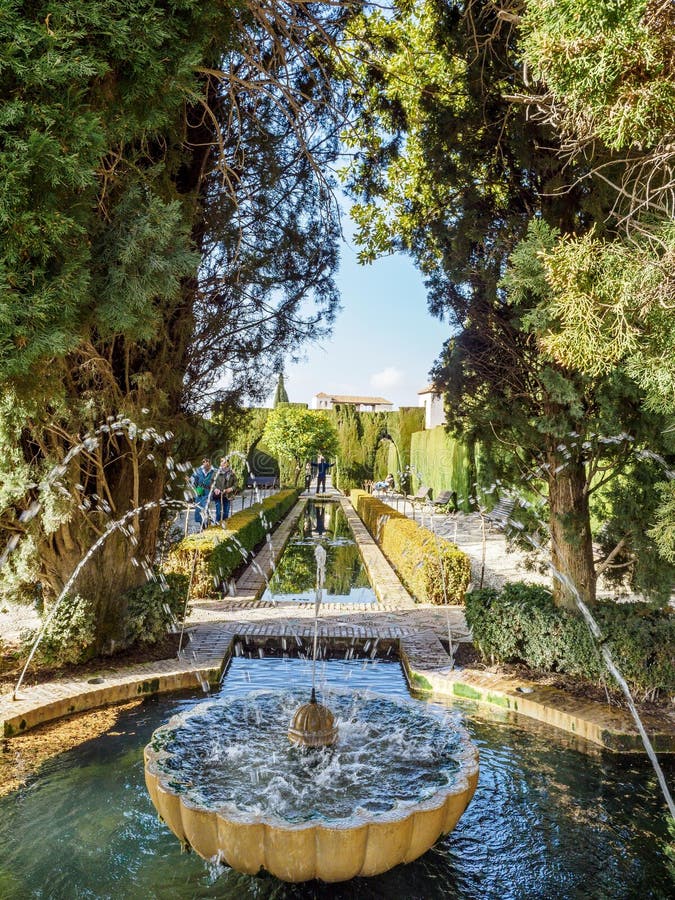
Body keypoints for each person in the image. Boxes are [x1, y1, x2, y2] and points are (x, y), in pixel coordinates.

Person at [212, 457, 237, 523]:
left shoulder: (232, 473)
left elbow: (236, 483)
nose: (222, 463)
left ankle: (224, 527)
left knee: (226, 513)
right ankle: (217, 526)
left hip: (228, 495)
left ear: (228, 463)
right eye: (221, 461)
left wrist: (231, 489)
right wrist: (215, 489)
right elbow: (212, 483)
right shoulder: (216, 472)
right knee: (218, 512)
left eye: (224, 462)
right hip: (218, 495)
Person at [191, 458, 214, 526]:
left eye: (207, 462)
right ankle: (202, 525)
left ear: (209, 463)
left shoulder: (213, 471)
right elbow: (193, 479)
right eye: (204, 462)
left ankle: (207, 523)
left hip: (208, 492)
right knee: (199, 508)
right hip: (199, 492)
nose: (205, 463)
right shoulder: (198, 471)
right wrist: (190, 480)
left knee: (206, 508)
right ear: (202, 463)